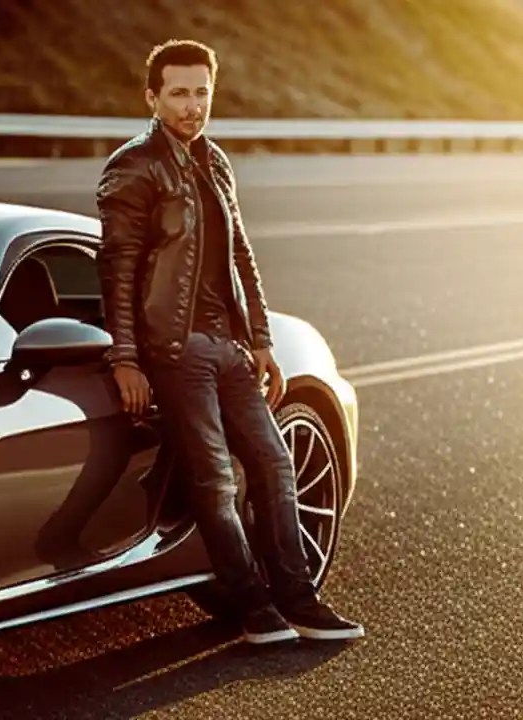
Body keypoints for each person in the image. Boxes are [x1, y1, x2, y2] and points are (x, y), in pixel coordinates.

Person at [94, 39, 364, 644]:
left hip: (229, 346)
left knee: (273, 463)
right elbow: (116, 269)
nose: (193, 106)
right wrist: (126, 358)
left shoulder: (215, 162)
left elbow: (241, 254)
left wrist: (262, 341)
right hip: (176, 350)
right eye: (180, 93)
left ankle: (300, 598)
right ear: (153, 98)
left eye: (202, 93)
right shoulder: (133, 168)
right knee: (213, 480)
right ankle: (251, 609)